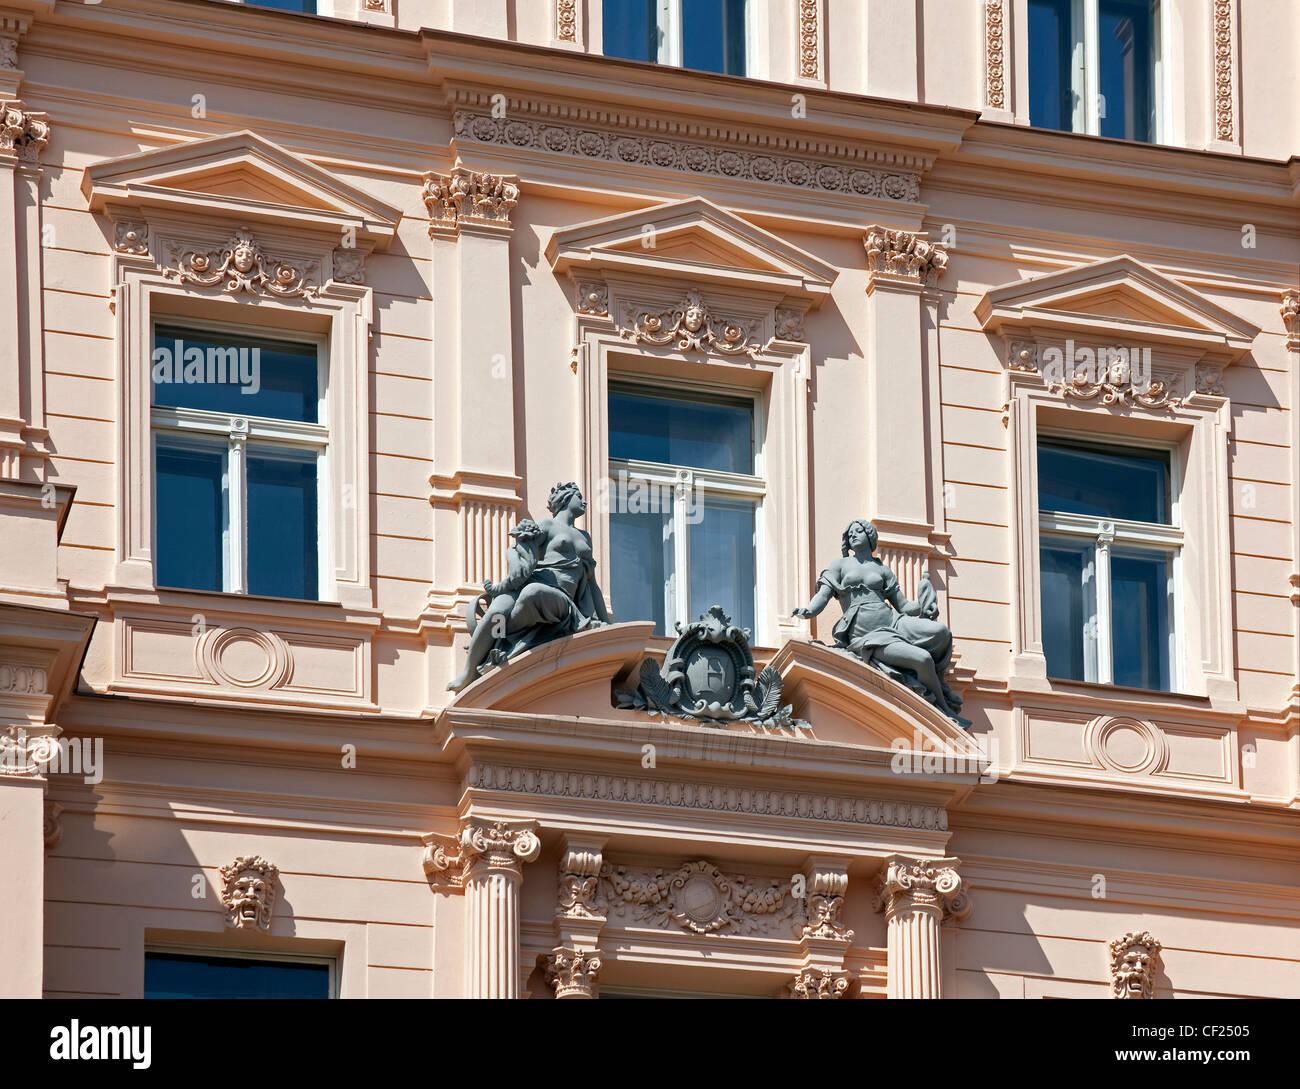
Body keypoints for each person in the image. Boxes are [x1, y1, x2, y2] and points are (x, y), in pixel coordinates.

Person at [447, 481, 609, 691]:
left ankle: (503, 639)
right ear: (566, 499)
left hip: (561, 597)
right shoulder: (547, 526)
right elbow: (519, 548)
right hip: (530, 583)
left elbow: (592, 584)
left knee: (533, 593)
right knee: (496, 611)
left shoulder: (584, 537)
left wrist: (606, 623)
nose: (584, 501)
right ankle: (469, 671)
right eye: (579, 496)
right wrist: (514, 572)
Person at [794, 519, 962, 717]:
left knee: (941, 632)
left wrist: (923, 603)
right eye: (850, 534)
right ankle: (944, 710)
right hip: (867, 632)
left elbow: (904, 606)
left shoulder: (882, 569)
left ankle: (941, 694)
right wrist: (809, 610)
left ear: (869, 535)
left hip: (893, 621)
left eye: (858, 531)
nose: (853, 535)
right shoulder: (840, 565)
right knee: (923, 659)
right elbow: (823, 594)